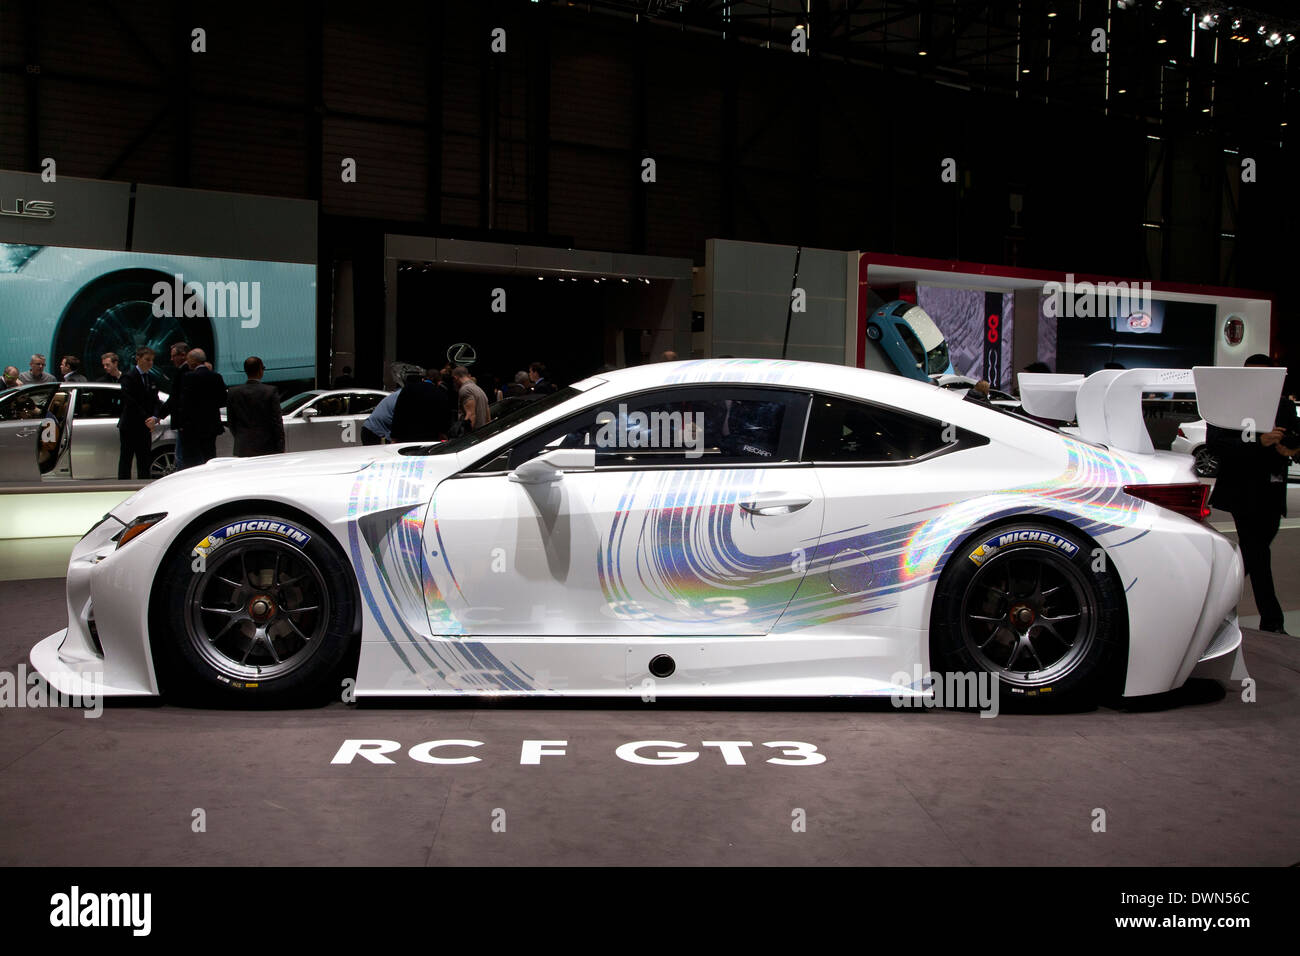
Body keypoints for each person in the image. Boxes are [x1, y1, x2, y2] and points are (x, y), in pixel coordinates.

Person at [1208, 354, 1299, 635]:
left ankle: (1213, 608)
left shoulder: (1283, 405)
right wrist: (1259, 443)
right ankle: (1273, 621)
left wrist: (1289, 448)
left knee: (1253, 553)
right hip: (1241, 489)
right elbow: (1217, 444)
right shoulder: (1225, 404)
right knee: (1257, 550)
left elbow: (1296, 437)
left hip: (1272, 489)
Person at [117, 347, 166, 479]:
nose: (150, 363)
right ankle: (122, 486)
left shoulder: (151, 378)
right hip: (130, 425)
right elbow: (130, 402)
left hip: (146, 426)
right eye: (147, 359)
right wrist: (147, 418)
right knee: (126, 458)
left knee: (144, 459)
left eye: (152, 360)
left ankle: (143, 487)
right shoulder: (128, 377)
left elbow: (156, 400)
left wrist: (155, 417)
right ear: (138, 359)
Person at [174, 348, 227, 468]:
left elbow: (184, 403)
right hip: (211, 425)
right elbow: (223, 399)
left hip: (192, 427)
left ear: (193, 361)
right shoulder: (216, 376)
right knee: (210, 457)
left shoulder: (189, 377)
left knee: (192, 461)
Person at [226, 356, 284, 457]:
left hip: (243, 445)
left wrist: (240, 436)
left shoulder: (233, 392)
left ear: (245, 371)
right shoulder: (270, 391)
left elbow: (231, 422)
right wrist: (280, 445)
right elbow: (276, 421)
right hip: (267, 445)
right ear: (260, 370)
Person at [389, 370, 450, 443]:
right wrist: (443, 434)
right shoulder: (440, 394)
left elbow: (398, 413)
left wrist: (394, 436)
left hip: (406, 435)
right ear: (438, 381)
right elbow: (443, 417)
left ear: (423, 378)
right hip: (429, 437)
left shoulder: (408, 389)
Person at [453, 366, 491, 431]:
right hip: (482, 434)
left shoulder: (465, 389)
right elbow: (488, 417)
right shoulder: (478, 389)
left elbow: (471, 415)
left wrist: (464, 436)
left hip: (473, 436)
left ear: (455, 377)